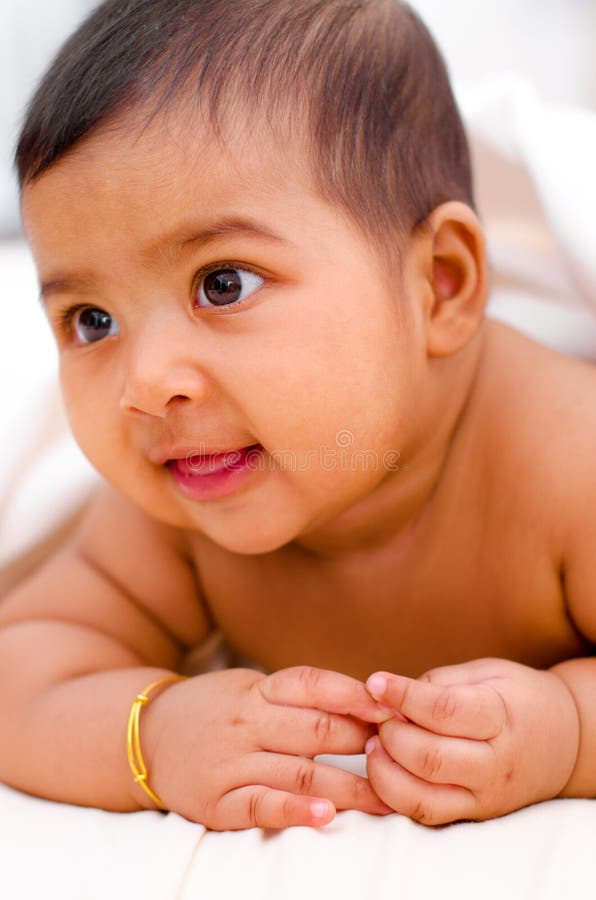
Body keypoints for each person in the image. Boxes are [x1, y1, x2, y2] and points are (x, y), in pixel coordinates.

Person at [0, 0, 593, 832]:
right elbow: (22, 673)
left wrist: (568, 731)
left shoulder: (564, 461)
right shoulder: (184, 503)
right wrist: (155, 736)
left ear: (441, 286)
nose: (145, 383)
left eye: (224, 283)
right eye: (90, 321)